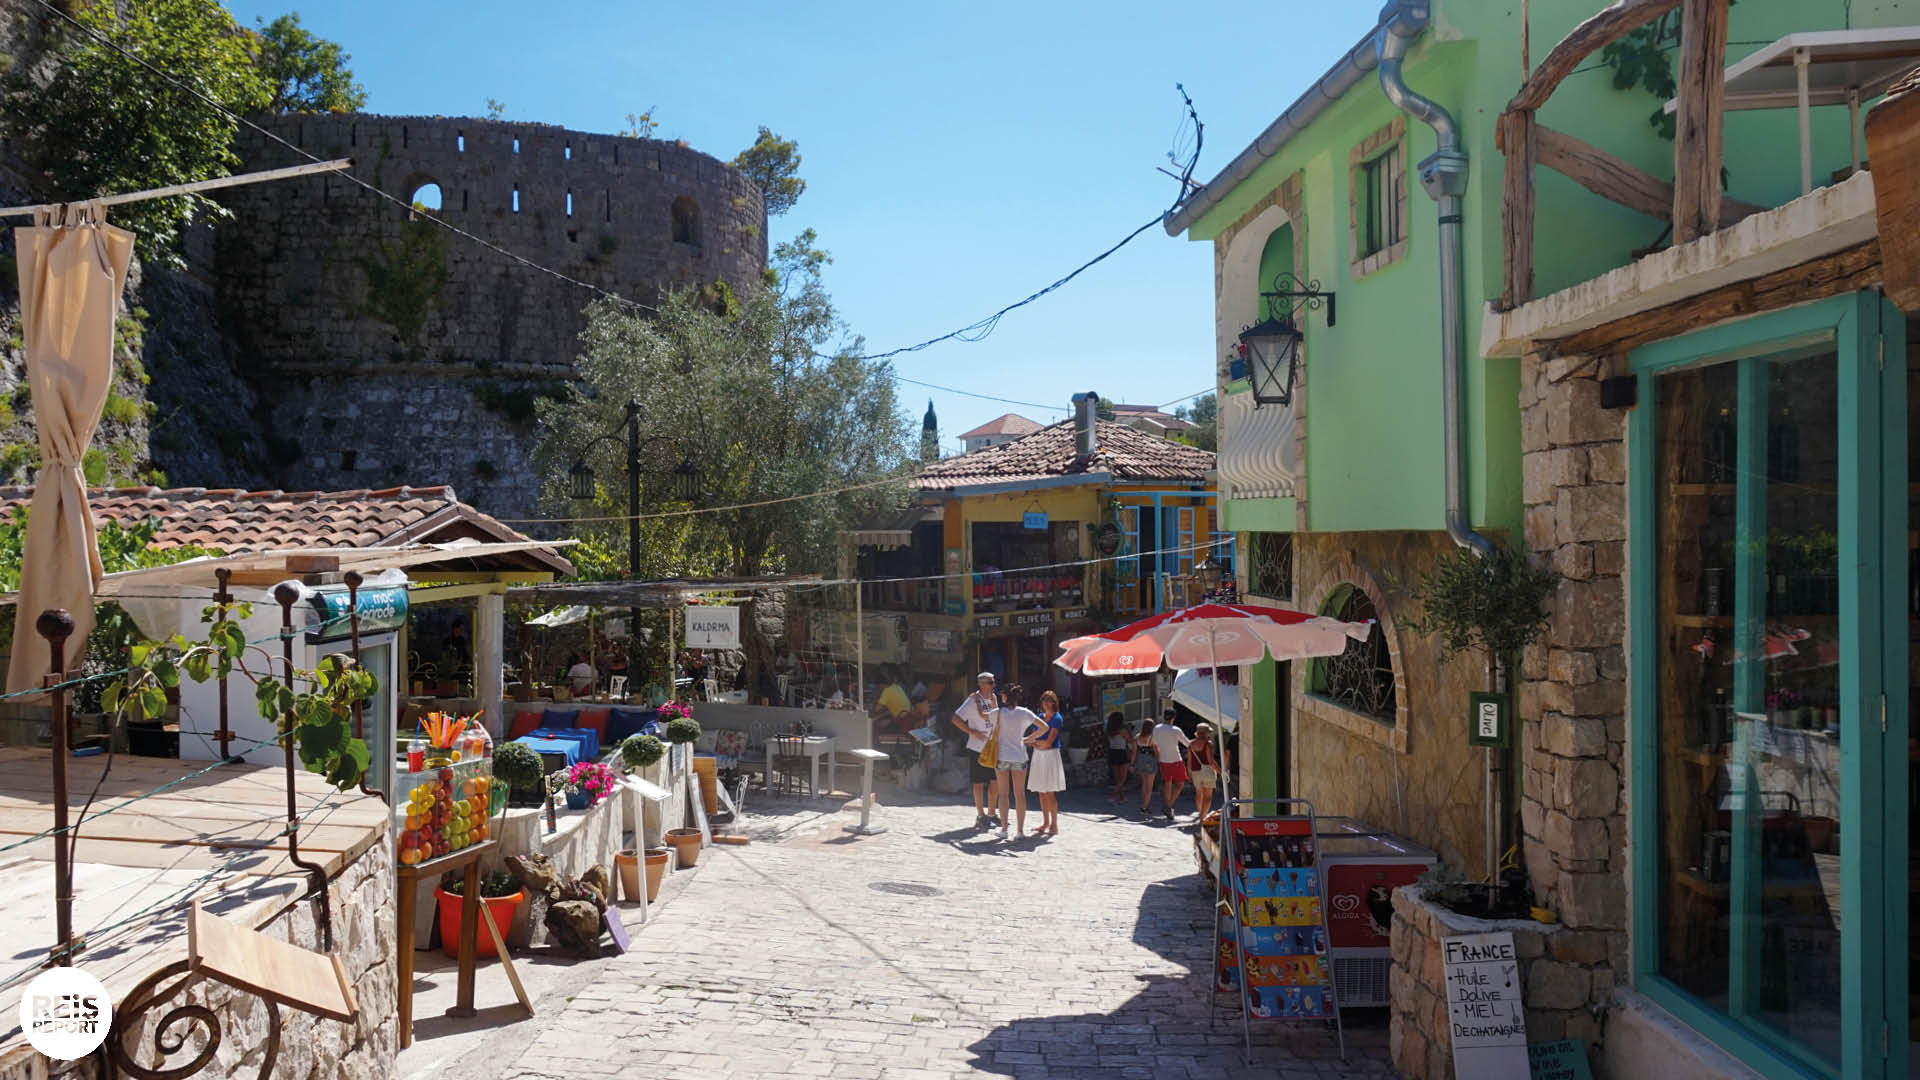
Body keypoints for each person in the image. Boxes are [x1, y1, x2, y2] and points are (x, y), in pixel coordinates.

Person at [950, 672, 1002, 830]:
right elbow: (955, 718)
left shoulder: (993, 698)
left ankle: (992, 813)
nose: (993, 685)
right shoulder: (973, 700)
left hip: (993, 746)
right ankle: (980, 815)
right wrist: (972, 732)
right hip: (977, 747)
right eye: (990, 682)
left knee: (995, 781)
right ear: (981, 684)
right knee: (979, 782)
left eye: (993, 682)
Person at [993, 684, 1042, 840]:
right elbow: (1044, 727)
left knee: (1003, 795)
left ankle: (1004, 829)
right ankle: (1020, 831)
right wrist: (1028, 739)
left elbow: (983, 717)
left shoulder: (998, 713)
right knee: (1020, 795)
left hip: (1002, 756)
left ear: (1006, 697)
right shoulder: (1024, 713)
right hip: (1020, 756)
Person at [1025, 690, 1067, 836]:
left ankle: (1054, 825)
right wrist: (1034, 742)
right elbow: (1033, 739)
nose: (1046, 703)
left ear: (1054, 703)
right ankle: (1045, 823)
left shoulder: (1057, 718)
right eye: (1044, 700)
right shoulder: (1040, 717)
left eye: (1049, 700)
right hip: (1038, 756)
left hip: (1050, 757)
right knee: (1041, 792)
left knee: (1049, 793)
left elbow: (1048, 743)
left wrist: (1035, 742)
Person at [1148, 708, 1193, 821]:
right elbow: (1187, 743)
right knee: (1180, 783)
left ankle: (1168, 806)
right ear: (1174, 718)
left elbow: (1152, 744)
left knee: (1167, 783)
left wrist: (1158, 756)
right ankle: (1168, 806)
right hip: (1175, 759)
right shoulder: (1175, 730)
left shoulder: (1156, 728)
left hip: (1163, 760)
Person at [1187, 722, 1220, 817]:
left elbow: (1189, 762)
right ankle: (1203, 817)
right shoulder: (1208, 744)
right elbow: (1211, 761)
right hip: (1207, 772)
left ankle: (1201, 813)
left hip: (1195, 772)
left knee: (1198, 793)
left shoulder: (1191, 744)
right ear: (1206, 733)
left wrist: (1189, 774)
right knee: (1208, 796)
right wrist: (1220, 771)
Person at [1104, 712, 1134, 802]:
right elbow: (1130, 740)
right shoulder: (1123, 730)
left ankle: (1122, 797)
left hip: (1112, 752)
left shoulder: (1109, 730)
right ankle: (1113, 796)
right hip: (1121, 752)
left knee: (1117, 778)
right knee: (1123, 778)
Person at [1133, 717, 1158, 812]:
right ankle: (1144, 807)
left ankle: (1143, 802)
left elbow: (1134, 752)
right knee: (1149, 787)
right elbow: (1156, 751)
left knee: (1144, 783)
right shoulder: (1152, 738)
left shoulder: (1137, 737)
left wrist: (1132, 764)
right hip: (1150, 760)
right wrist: (1159, 760)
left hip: (1140, 760)